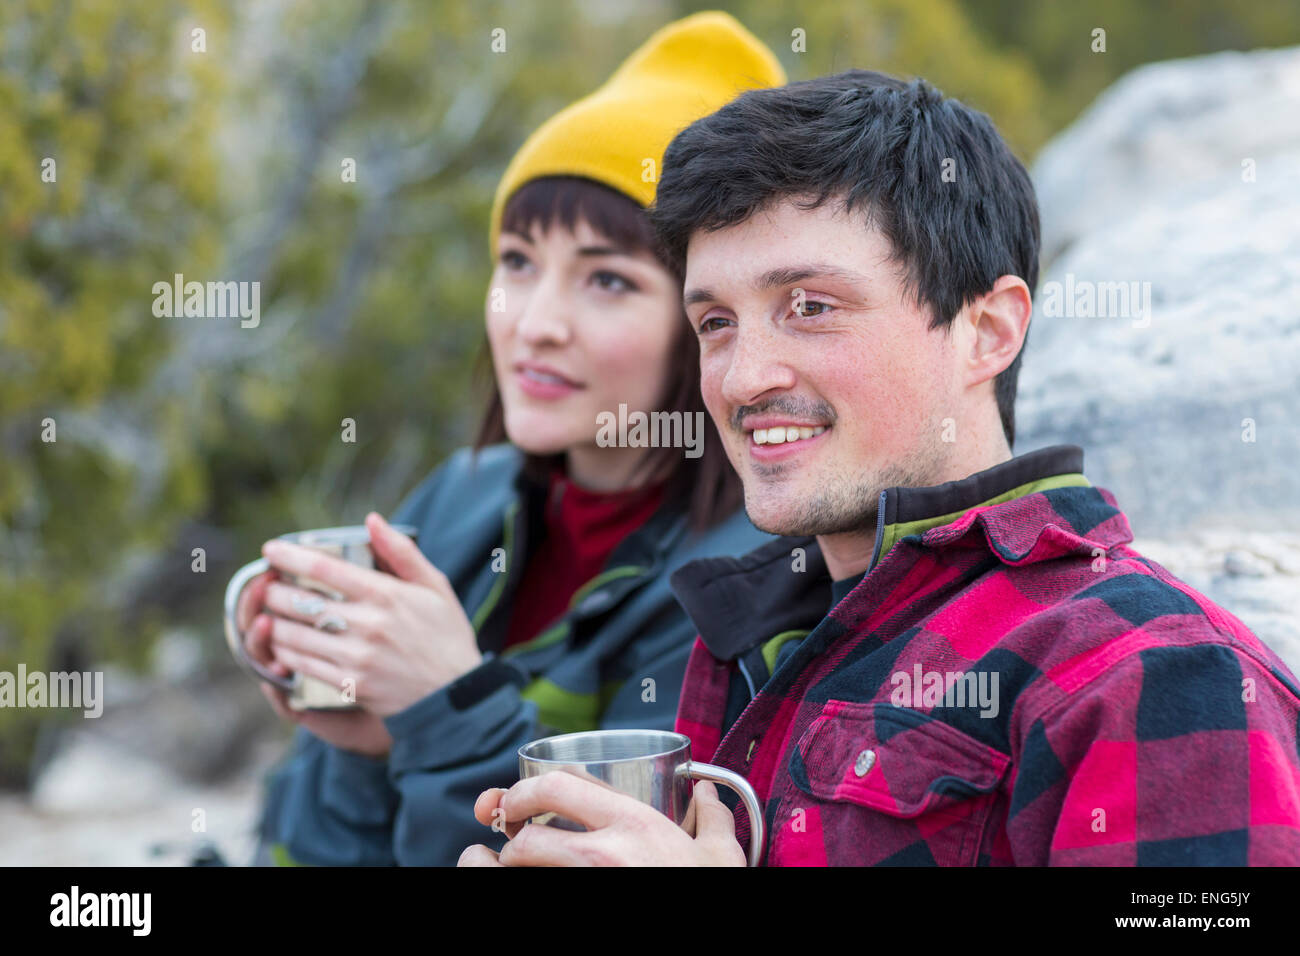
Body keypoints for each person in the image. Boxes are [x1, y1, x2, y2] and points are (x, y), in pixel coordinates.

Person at [461, 70, 1300, 866]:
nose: (745, 378)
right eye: (716, 321)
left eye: (811, 307)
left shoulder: (1156, 669)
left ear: (989, 330)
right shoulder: (749, 634)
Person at [237, 12, 785, 866]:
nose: (535, 323)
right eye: (518, 261)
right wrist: (358, 738)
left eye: (607, 278)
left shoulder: (747, 578)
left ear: (708, 320)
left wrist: (444, 710)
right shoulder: (462, 496)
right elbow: (301, 847)